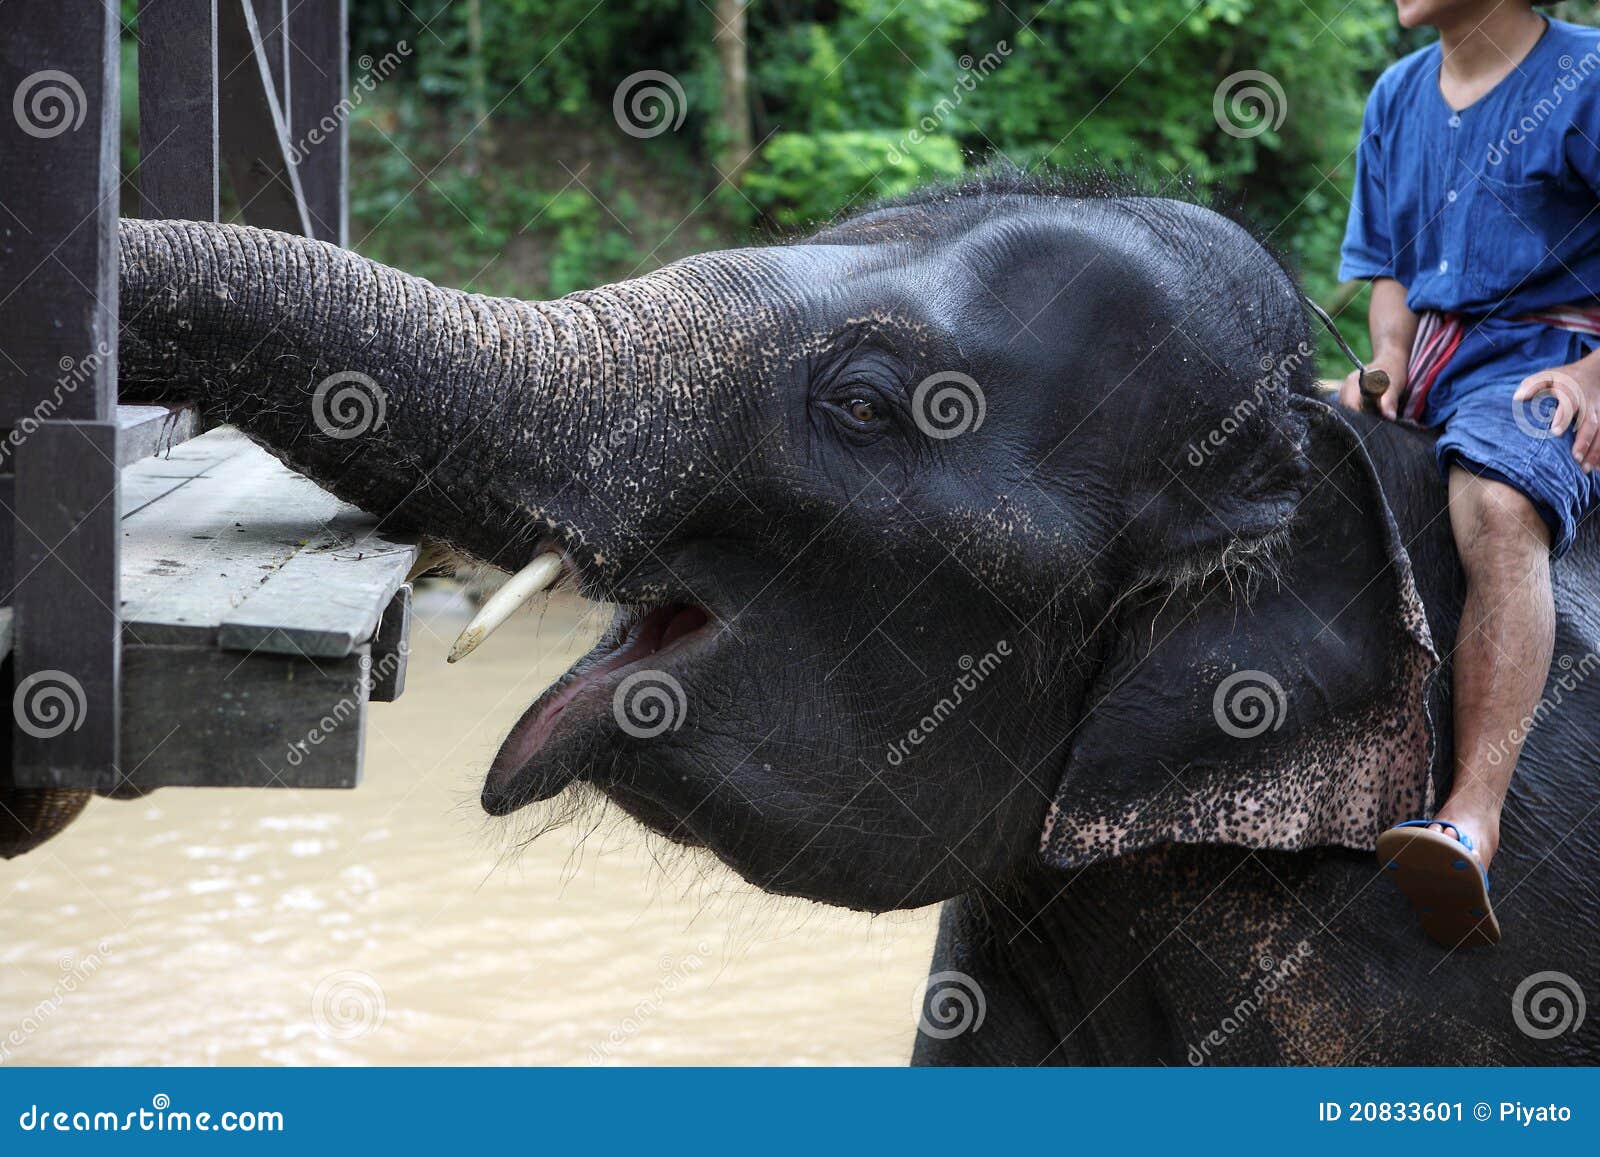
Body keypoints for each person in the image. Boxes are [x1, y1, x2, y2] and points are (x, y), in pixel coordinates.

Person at [1339, 0, 1600, 947]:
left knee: (1495, 501)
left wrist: (1590, 377)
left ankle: (1472, 814)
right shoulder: (1397, 95)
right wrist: (1387, 367)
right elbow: (1391, 276)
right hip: (1439, 362)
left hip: (1548, 361)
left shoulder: (1589, 75)